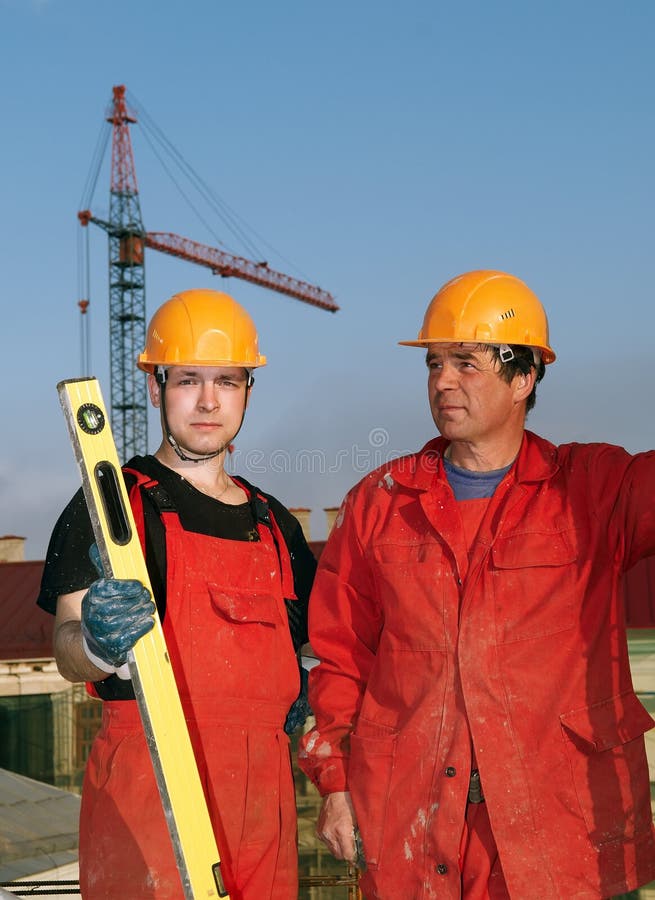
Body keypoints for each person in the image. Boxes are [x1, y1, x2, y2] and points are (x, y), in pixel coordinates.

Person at [298, 269, 655, 899]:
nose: (442, 381)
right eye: (434, 364)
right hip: (413, 820)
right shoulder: (380, 503)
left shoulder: (594, 489)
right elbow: (338, 656)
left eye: (467, 362)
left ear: (524, 378)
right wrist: (334, 784)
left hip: (558, 826)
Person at [37, 288, 316, 900]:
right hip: (150, 792)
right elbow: (63, 648)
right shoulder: (112, 504)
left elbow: (310, 649)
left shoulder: (277, 526)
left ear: (249, 389)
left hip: (264, 803)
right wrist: (99, 645)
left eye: (229, 380)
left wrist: (304, 687)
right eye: (189, 379)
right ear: (156, 385)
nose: (209, 401)